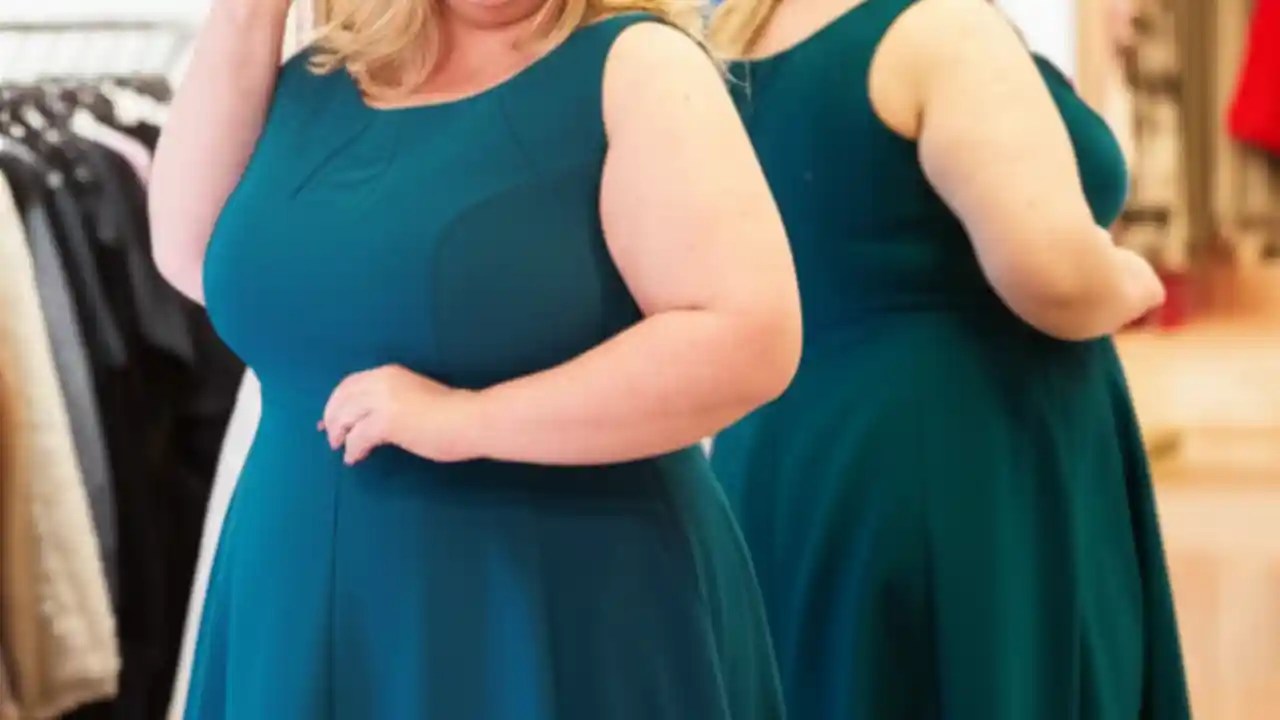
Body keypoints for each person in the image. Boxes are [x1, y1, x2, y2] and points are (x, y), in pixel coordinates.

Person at [149, 0, 802, 717]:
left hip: (544, 594)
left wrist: (466, 420)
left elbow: (746, 337)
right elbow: (193, 257)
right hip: (296, 587)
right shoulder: (319, 74)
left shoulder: (635, 66)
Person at [707, 0, 1191, 717]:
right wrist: (1130, 280)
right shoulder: (940, 31)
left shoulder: (727, 40)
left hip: (786, 455)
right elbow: (1052, 273)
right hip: (966, 469)